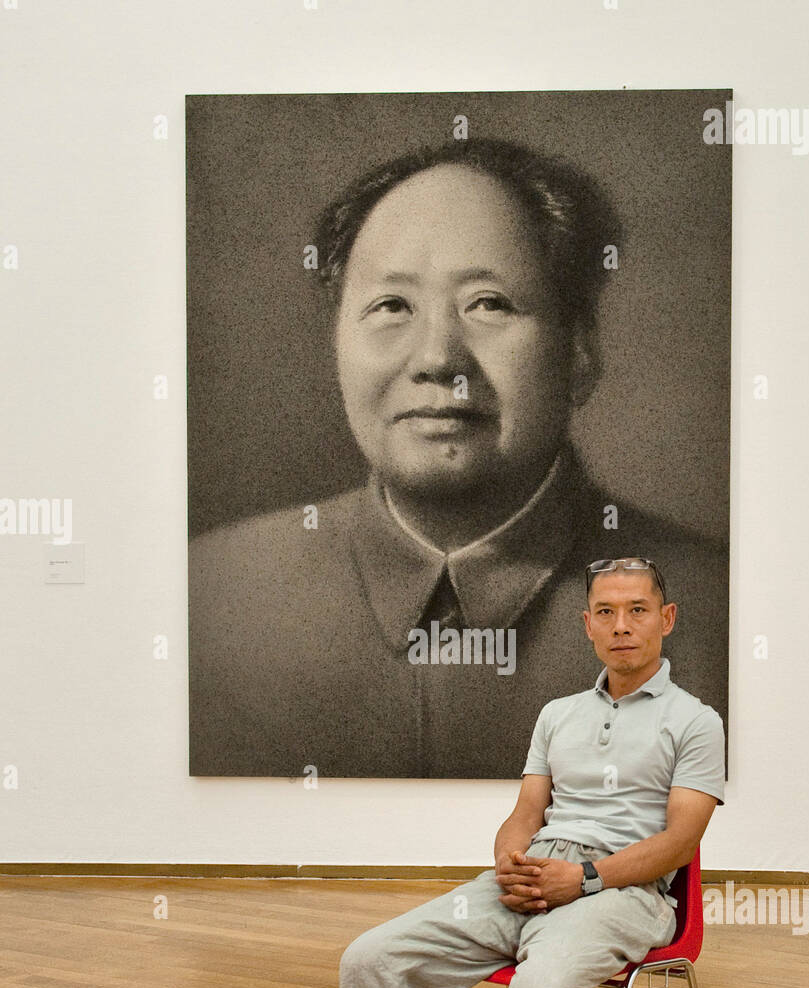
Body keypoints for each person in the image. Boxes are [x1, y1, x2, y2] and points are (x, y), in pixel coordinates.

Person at [187, 137, 728, 778]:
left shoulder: (715, 617)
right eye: (392, 306)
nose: (439, 359)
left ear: (580, 352)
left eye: (488, 304)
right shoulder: (212, 595)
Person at [313, 558, 725, 988]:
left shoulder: (695, 722)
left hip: (621, 893)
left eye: (635, 609)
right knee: (371, 960)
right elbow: (524, 812)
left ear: (666, 618)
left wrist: (584, 878)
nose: (620, 625)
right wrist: (510, 860)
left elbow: (679, 841)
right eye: (604, 611)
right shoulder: (557, 714)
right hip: (531, 878)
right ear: (586, 622)